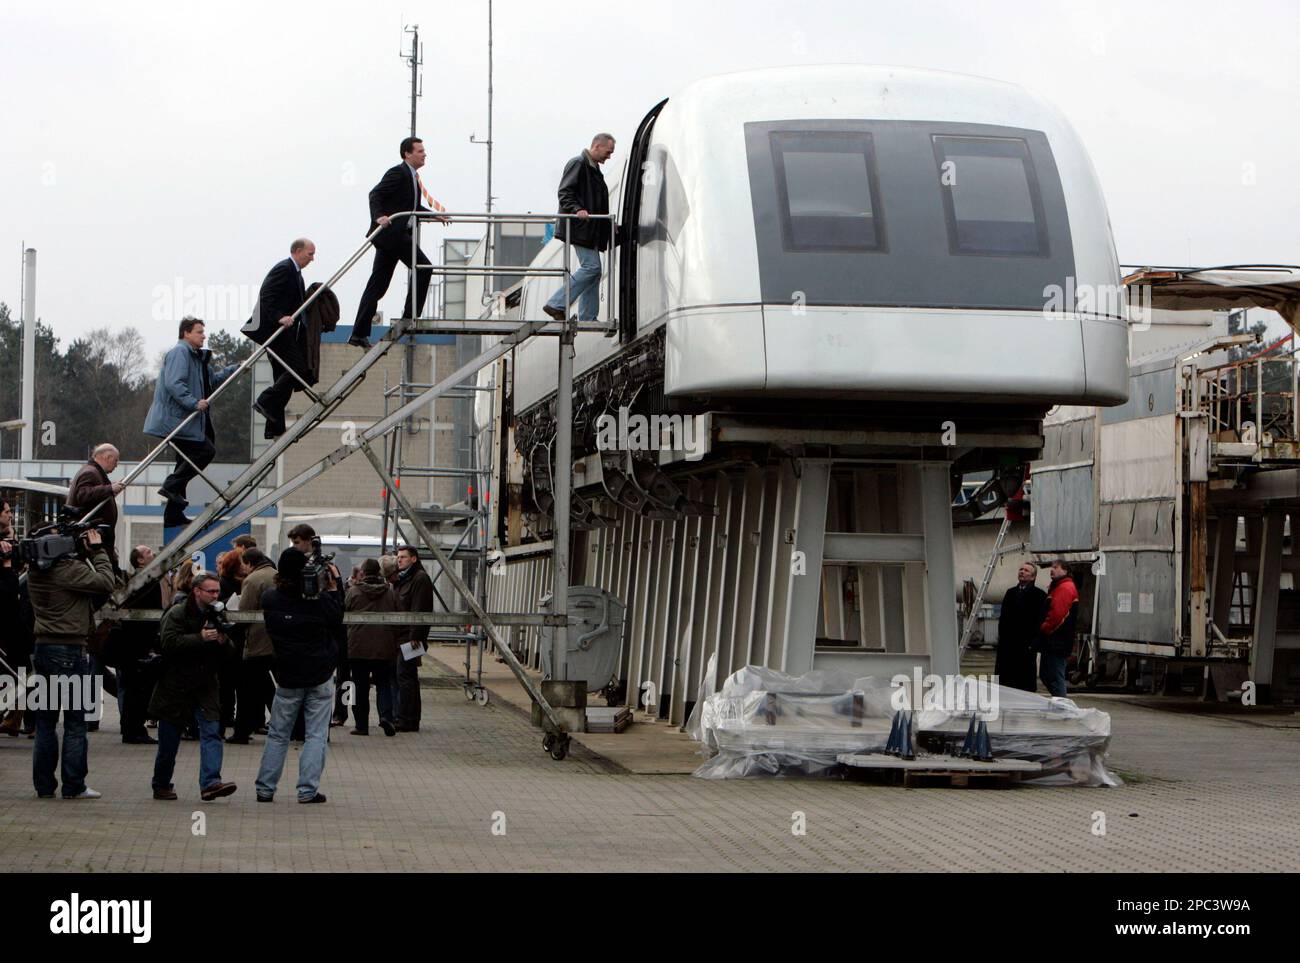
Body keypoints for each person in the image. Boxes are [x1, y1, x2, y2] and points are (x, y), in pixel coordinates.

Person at [26, 525, 116, 799]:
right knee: (76, 722)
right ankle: (74, 785)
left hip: (43, 649)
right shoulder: (67, 571)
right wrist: (98, 551)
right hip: (69, 650)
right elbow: (105, 582)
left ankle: (44, 786)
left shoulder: (35, 572)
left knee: (45, 723)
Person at [255, 548, 342, 803]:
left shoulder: (271, 598)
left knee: (278, 734)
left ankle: (265, 788)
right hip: (319, 673)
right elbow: (337, 618)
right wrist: (333, 587)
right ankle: (307, 790)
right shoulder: (320, 601)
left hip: (287, 674)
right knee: (316, 735)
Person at [350, 136, 448, 348]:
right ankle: (409, 315)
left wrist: (434, 216)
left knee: (378, 286)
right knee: (424, 268)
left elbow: (411, 207)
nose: (424, 154)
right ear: (407, 154)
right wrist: (378, 217)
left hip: (394, 238)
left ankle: (358, 333)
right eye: (420, 151)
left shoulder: (413, 178)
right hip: (393, 235)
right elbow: (375, 194)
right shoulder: (398, 172)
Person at [148, 570, 238, 800]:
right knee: (169, 740)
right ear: (197, 591)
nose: (215, 595)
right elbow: (168, 643)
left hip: (205, 682)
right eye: (211, 591)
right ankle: (161, 783)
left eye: (217, 591)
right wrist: (200, 638)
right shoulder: (177, 613)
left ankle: (211, 783)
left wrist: (222, 640)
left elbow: (230, 651)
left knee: (211, 732)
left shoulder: (217, 613)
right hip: (175, 683)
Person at [144, 317, 239, 528]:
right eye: (199, 332)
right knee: (205, 451)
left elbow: (210, 383)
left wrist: (235, 369)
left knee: (184, 462)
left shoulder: (197, 359)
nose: (204, 336)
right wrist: (193, 403)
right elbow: (173, 383)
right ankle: (170, 486)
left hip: (186, 420)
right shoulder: (180, 353)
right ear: (186, 333)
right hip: (175, 420)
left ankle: (173, 514)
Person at [243, 239, 316, 438]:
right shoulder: (284, 269)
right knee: (297, 368)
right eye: (310, 254)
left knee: (281, 375)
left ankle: (273, 427)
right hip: (274, 330)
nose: (312, 258)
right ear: (297, 251)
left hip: (284, 331)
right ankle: (265, 400)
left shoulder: (297, 275)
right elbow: (266, 296)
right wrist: (279, 317)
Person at [542, 133, 616, 323]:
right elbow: (565, 192)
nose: (609, 156)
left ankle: (587, 316)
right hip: (579, 228)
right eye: (608, 152)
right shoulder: (579, 164)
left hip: (588, 229)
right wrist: (578, 209)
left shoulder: (593, 169)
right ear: (597, 146)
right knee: (591, 267)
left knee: (595, 270)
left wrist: (608, 224)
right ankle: (556, 303)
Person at [112, 545, 163, 744]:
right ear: (140, 560)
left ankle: (130, 728)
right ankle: (134, 730)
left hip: (135, 642)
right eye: (149, 552)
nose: (154, 555)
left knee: (132, 688)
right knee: (137, 690)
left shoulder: (142, 580)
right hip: (138, 643)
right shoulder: (144, 581)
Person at [345, 558, 399, 737]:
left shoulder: (353, 591)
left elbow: (344, 612)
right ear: (379, 573)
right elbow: (398, 614)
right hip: (384, 646)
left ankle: (361, 725)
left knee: (359, 687)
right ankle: (386, 717)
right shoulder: (390, 592)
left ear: (363, 573)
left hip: (358, 646)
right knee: (384, 683)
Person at [228, 548, 276, 743]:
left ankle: (241, 732)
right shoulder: (276, 574)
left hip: (257, 640)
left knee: (247, 689)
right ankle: (294, 727)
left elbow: (245, 612)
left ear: (248, 563)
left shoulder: (253, 580)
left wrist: (230, 630)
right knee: (268, 686)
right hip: (276, 640)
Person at [65, 444, 126, 570]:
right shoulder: (90, 472)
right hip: (90, 539)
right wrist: (109, 488)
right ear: (108, 457)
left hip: (94, 538)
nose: (116, 465)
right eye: (116, 460)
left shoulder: (92, 471)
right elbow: (83, 495)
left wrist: (108, 491)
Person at [393, 544, 432, 732]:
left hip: (412, 637)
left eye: (403, 557)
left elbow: (420, 608)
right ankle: (410, 719)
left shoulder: (419, 579)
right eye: (398, 557)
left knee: (405, 677)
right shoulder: (404, 579)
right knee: (408, 677)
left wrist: (416, 635)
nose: (399, 559)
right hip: (404, 636)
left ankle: (406, 719)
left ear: (414, 559)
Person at [995, 562, 1046, 693]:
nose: (1022, 572)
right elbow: (1003, 617)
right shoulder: (1011, 593)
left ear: (1033, 576)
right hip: (1008, 644)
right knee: (1005, 678)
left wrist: (1035, 642)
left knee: (1024, 679)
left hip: (1026, 645)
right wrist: (1002, 637)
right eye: (1021, 569)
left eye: (1026, 571)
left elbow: (1041, 621)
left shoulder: (1039, 595)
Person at [1037, 560, 1080, 697]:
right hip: (1053, 641)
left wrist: (1045, 628)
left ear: (1065, 571)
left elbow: (1058, 614)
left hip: (1058, 641)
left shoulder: (1065, 588)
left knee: (1055, 675)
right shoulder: (1057, 587)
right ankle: (1059, 702)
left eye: (1056, 567)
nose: (1052, 570)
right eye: (1051, 567)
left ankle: (1062, 705)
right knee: (1046, 674)